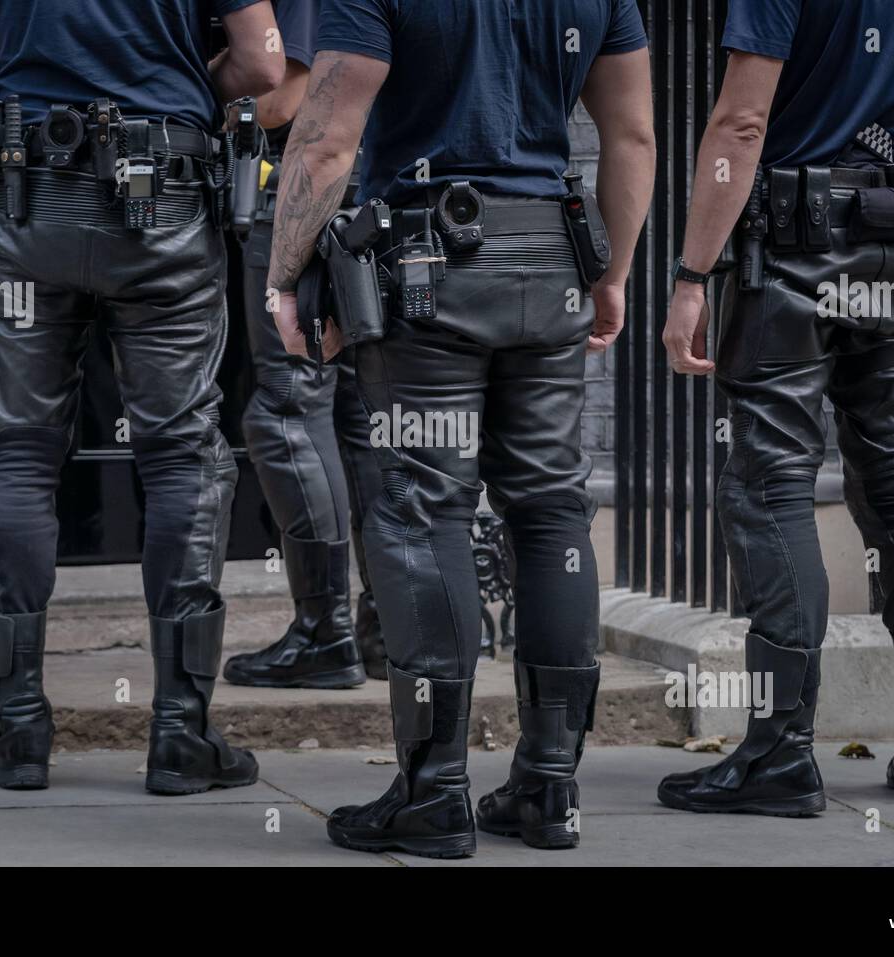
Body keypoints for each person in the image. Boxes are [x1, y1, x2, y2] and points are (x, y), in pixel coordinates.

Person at [267, 0, 655, 857]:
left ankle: (435, 788)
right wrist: (614, 272)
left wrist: (286, 276)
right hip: (553, 260)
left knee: (421, 510)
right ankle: (550, 787)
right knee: (552, 508)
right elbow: (631, 136)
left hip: (425, 264)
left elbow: (329, 137)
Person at [0, 0, 284, 793]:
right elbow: (262, 67)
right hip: (166, 204)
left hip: (25, 194)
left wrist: (28, 94)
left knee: (18, 447)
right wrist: (171, 86)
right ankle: (181, 733)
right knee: (182, 454)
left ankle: (17, 732)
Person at [659, 0, 894, 813]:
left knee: (768, 483)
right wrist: (864, 163)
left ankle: (780, 749)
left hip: (798, 249)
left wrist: (693, 276)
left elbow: (739, 123)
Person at [223, 0, 389, 690]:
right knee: (364, 415)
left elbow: (280, 97)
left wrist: (181, 86)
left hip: (309, 196)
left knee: (288, 408)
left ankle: (325, 633)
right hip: (377, 200)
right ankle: (387, 626)